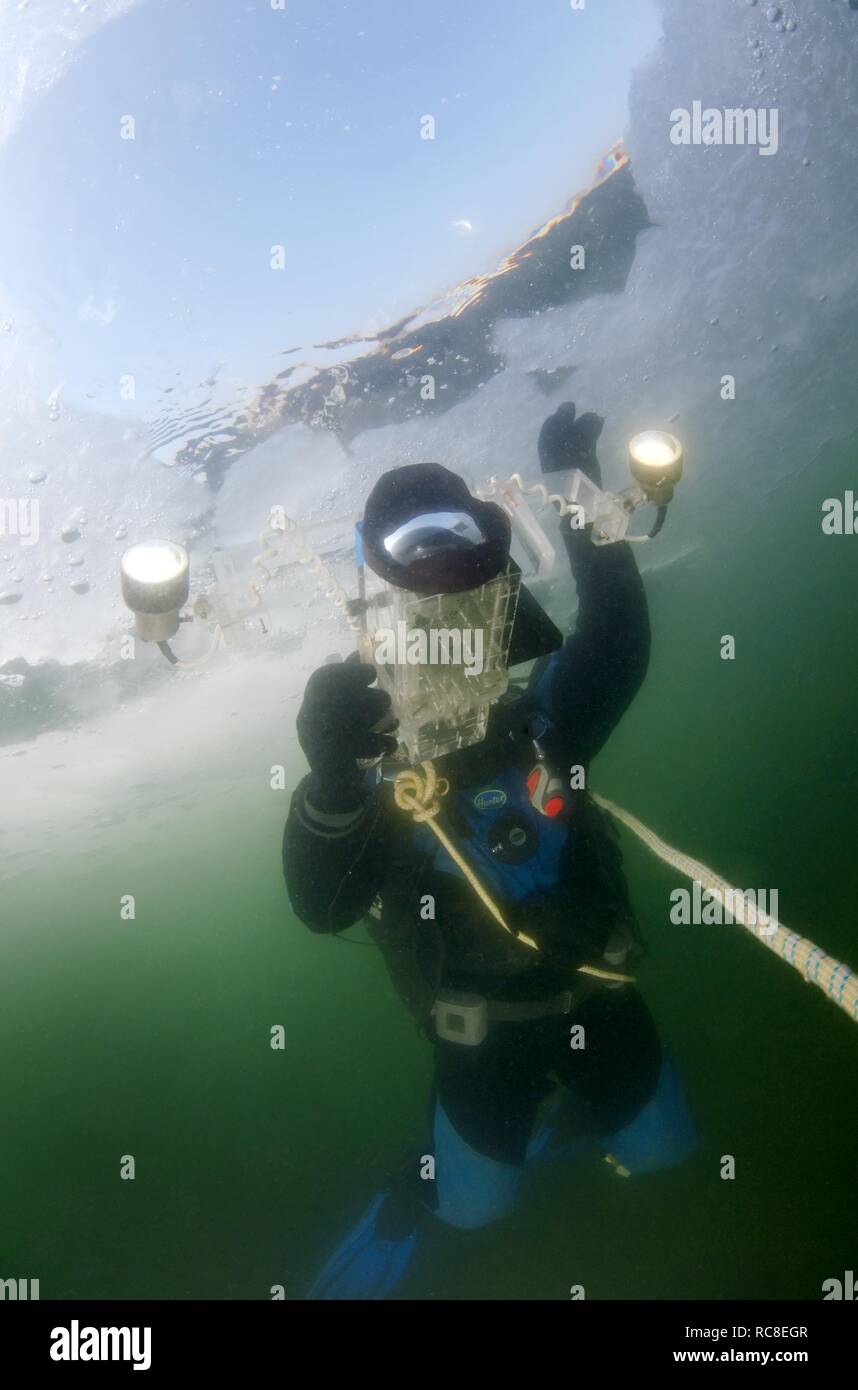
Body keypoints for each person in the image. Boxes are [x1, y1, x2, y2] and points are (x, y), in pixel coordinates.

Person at [283, 403, 697, 1299]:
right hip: (478, 1042)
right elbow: (321, 909)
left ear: (496, 579)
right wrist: (330, 779)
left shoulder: (546, 720)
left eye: (459, 555)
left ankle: (571, 1129)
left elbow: (620, 637)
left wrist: (573, 484)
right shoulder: (370, 759)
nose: (439, 583)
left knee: (667, 1151)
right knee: (472, 1213)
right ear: (382, 596)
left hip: (602, 990)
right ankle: (417, 1189)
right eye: (414, 561)